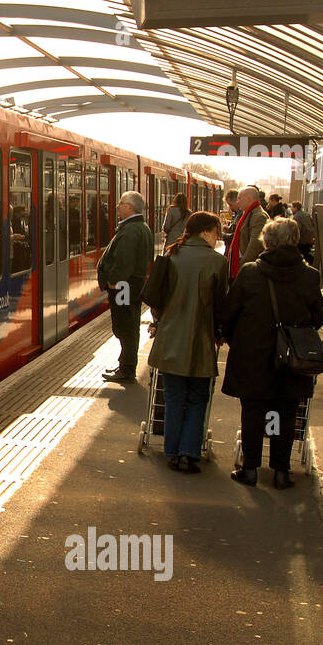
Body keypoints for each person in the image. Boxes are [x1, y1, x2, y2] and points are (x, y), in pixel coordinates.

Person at [219, 218, 323, 490]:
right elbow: (317, 318)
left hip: (253, 356)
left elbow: (229, 314)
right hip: (292, 358)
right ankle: (280, 471)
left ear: (267, 242)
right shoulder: (310, 276)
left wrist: (239, 341)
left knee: (253, 411)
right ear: (295, 241)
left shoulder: (250, 273)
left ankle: (251, 469)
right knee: (284, 412)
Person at [147, 212, 228, 472]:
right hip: (201, 341)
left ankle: (171, 452)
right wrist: (220, 333)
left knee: (172, 396)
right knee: (197, 397)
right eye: (217, 233)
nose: (218, 239)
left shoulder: (171, 255)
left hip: (170, 339)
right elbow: (220, 306)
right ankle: (190, 453)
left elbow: (156, 299)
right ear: (205, 232)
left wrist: (159, 322)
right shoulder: (217, 262)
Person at [96, 191, 153, 383]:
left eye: (121, 203)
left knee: (124, 326)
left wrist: (114, 281)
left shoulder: (130, 230)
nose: (118, 207)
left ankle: (127, 368)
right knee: (127, 324)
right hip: (129, 285)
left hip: (123, 286)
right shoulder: (141, 227)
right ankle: (124, 363)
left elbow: (124, 261)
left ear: (130, 207)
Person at [226, 186, 270, 281]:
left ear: (248, 199)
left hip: (246, 268)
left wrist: (243, 264)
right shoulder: (248, 213)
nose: (238, 201)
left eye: (239, 198)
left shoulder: (258, 216)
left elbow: (255, 244)